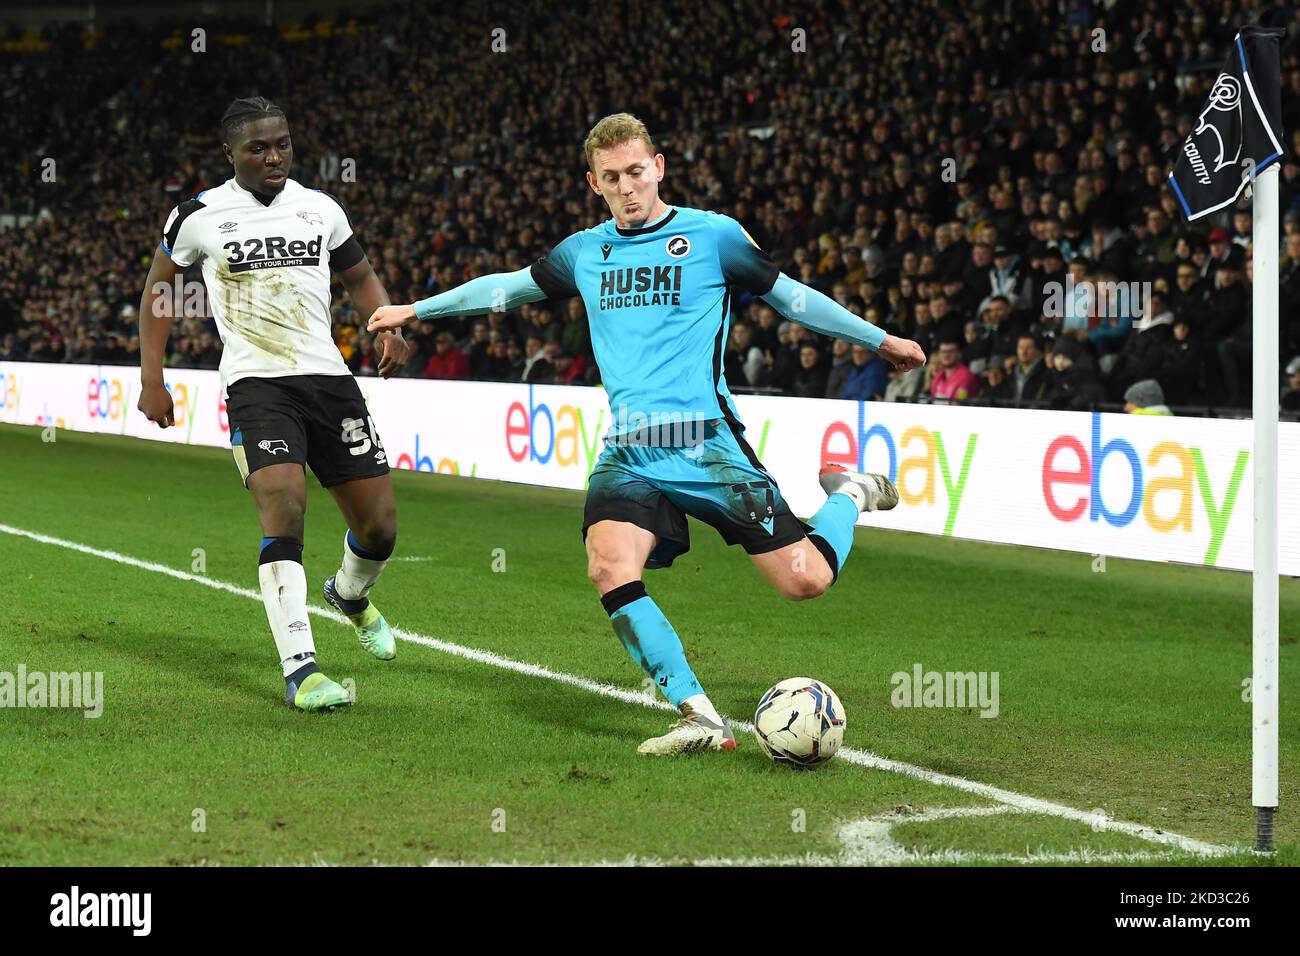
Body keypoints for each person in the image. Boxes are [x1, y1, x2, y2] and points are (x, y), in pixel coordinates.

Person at [368, 112, 925, 755]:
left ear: (658, 167)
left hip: (706, 444)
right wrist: (417, 309)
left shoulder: (713, 237)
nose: (628, 187)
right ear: (593, 183)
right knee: (609, 566)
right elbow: (506, 290)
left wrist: (878, 340)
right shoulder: (584, 251)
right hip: (628, 450)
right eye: (612, 178)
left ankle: (850, 493)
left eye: (636, 171)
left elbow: (791, 297)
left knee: (805, 580)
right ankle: (699, 716)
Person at [137, 97, 411, 713]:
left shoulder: (321, 208)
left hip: (329, 382)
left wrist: (388, 326)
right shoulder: (198, 216)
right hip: (256, 386)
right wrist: (153, 378)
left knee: (380, 527)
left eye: (282, 143)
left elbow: (361, 277)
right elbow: (158, 295)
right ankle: (302, 670)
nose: (274, 155)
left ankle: (349, 593)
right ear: (229, 153)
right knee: (284, 506)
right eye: (259, 147)